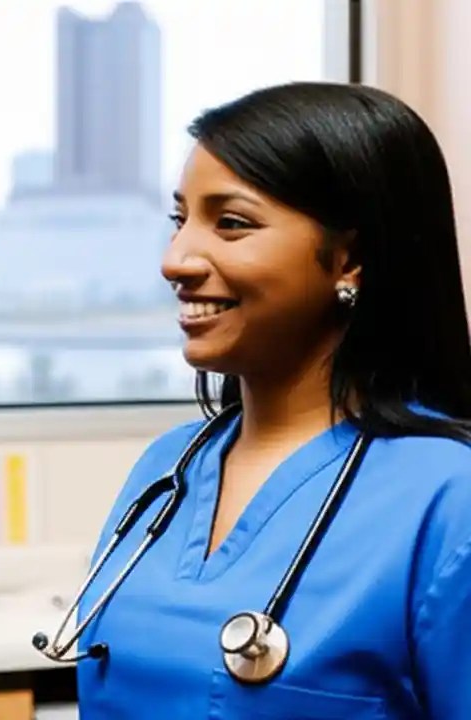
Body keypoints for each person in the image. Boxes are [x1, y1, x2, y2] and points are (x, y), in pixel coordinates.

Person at [64, 82, 471, 718]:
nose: (176, 260)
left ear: (350, 259)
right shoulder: (167, 469)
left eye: (231, 223)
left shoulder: (449, 499)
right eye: (181, 220)